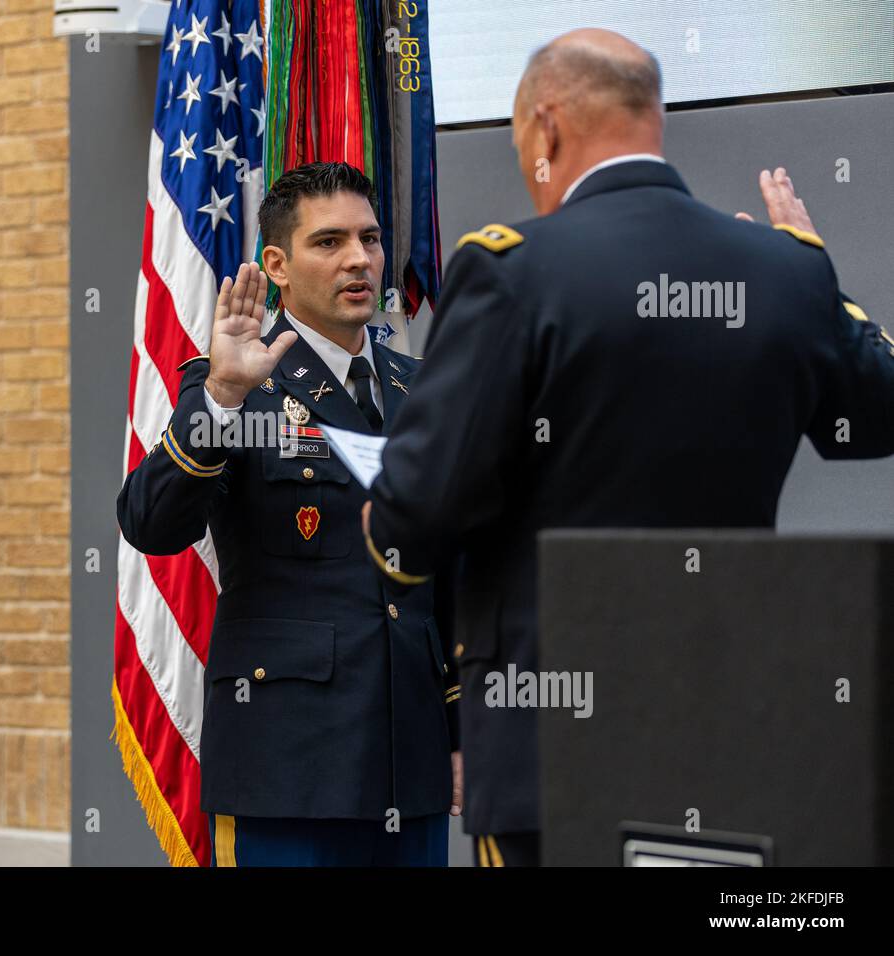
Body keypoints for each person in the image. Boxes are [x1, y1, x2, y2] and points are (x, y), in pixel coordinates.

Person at [363, 29, 894, 867]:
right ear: (653, 117)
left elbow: (416, 514)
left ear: (545, 130)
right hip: (729, 710)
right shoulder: (785, 271)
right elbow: (877, 417)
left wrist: (386, 526)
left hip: (552, 730)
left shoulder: (513, 270)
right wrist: (823, 279)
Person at [117, 162, 459, 866]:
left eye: (368, 238)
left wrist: (460, 729)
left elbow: (449, 573)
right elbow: (150, 523)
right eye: (328, 242)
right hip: (289, 762)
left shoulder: (424, 388)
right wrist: (222, 400)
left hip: (412, 756)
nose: (358, 258)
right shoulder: (238, 384)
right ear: (276, 263)